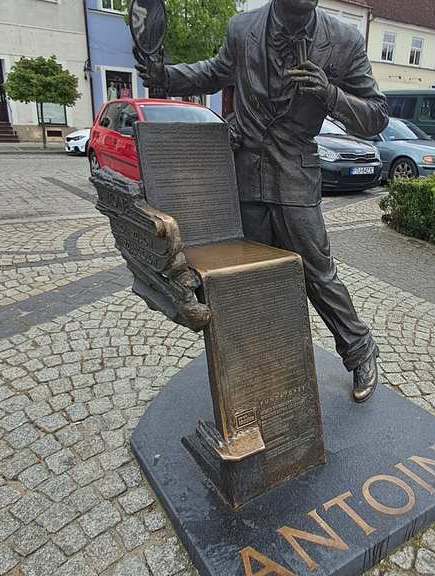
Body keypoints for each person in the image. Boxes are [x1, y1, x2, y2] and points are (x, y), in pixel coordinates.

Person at [136, 0, 387, 403]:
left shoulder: (343, 40)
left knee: (318, 274)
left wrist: (329, 93)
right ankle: (261, 357)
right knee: (247, 275)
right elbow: (214, 72)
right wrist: (166, 75)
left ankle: (359, 350)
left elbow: (376, 115)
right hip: (246, 174)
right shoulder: (243, 27)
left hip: (296, 176)